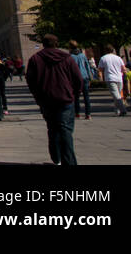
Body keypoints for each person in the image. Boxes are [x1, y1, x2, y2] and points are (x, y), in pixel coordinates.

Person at [25, 34, 79, 165]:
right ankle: (69, 161)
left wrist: (38, 96)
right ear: (57, 43)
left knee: (53, 128)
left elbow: (31, 81)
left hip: (46, 100)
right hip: (65, 99)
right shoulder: (67, 58)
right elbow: (78, 79)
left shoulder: (35, 59)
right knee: (65, 129)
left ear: (43, 44)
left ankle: (56, 157)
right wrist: (74, 94)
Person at [99, 45, 127, 117]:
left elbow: (100, 70)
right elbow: (124, 69)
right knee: (117, 94)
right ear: (113, 50)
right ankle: (117, 110)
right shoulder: (118, 58)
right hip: (119, 78)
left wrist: (101, 79)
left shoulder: (103, 58)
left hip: (110, 78)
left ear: (106, 50)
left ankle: (123, 110)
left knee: (116, 95)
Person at [68, 41, 93, 120]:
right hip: (84, 77)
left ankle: (77, 113)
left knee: (76, 96)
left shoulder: (70, 56)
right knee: (86, 96)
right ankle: (88, 114)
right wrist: (89, 77)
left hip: (75, 78)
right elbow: (87, 66)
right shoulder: (82, 55)